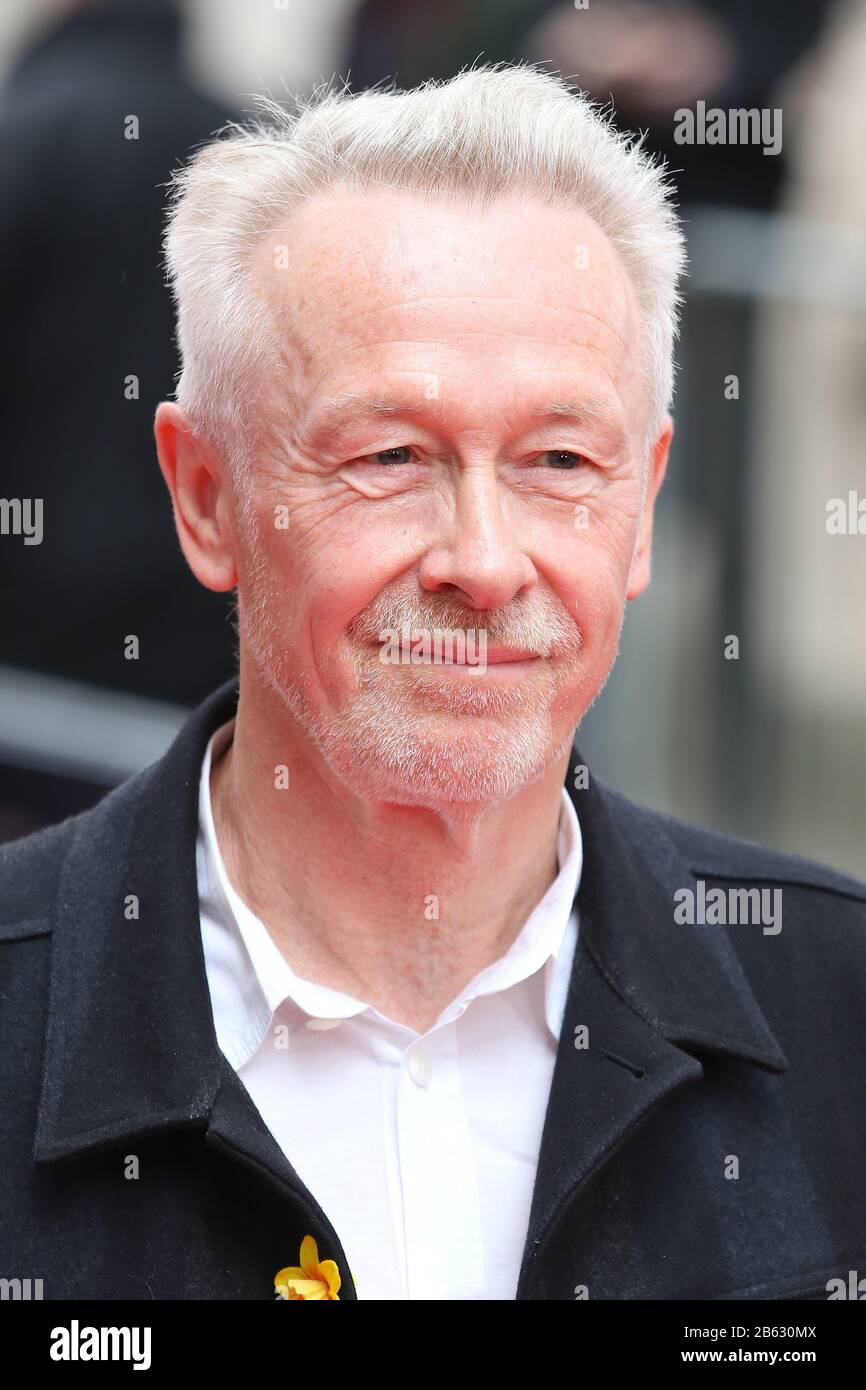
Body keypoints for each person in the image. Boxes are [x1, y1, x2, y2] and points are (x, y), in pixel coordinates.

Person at [1, 65, 864, 1302]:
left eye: (559, 458)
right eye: (391, 455)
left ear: (640, 510)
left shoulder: (840, 1012)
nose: (482, 559)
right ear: (207, 497)